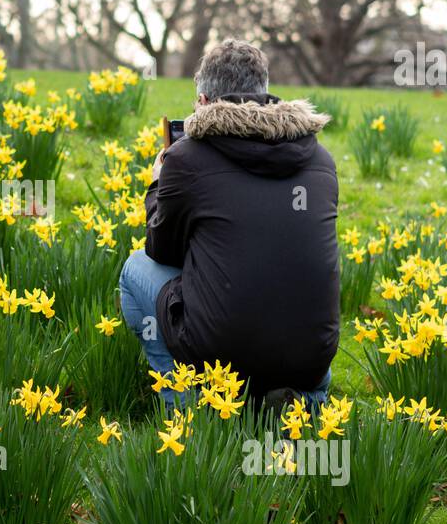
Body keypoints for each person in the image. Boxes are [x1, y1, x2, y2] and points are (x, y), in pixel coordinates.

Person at [118, 39, 339, 414]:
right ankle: (302, 404)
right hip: (311, 356)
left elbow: (163, 252)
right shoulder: (319, 159)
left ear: (203, 101)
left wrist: (159, 182)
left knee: (135, 269)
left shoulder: (186, 158)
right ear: (266, 93)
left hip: (221, 354)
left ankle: (189, 408)